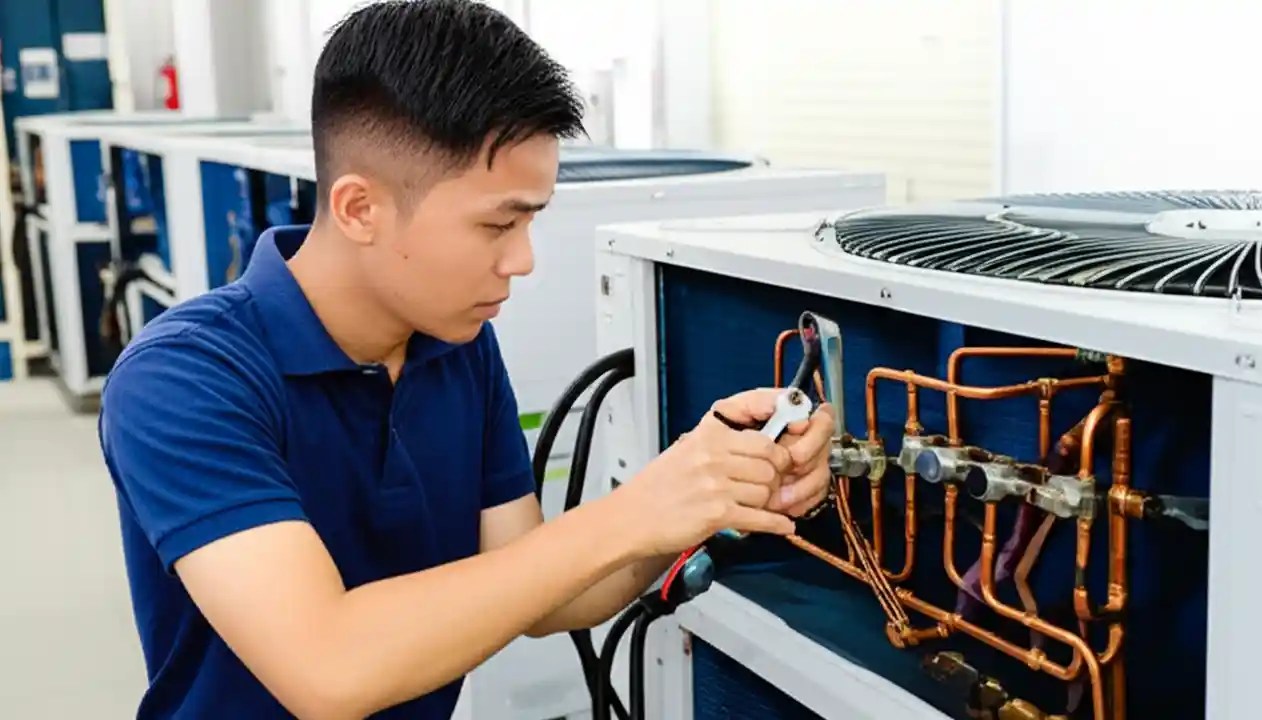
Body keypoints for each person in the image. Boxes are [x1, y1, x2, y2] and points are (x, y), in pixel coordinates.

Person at [97, 1, 836, 718]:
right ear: (360, 209)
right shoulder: (183, 379)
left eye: (532, 219)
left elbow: (551, 593)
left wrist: (704, 491)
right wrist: (635, 511)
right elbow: (328, 667)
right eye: (496, 224)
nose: (522, 260)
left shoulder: (456, 346)